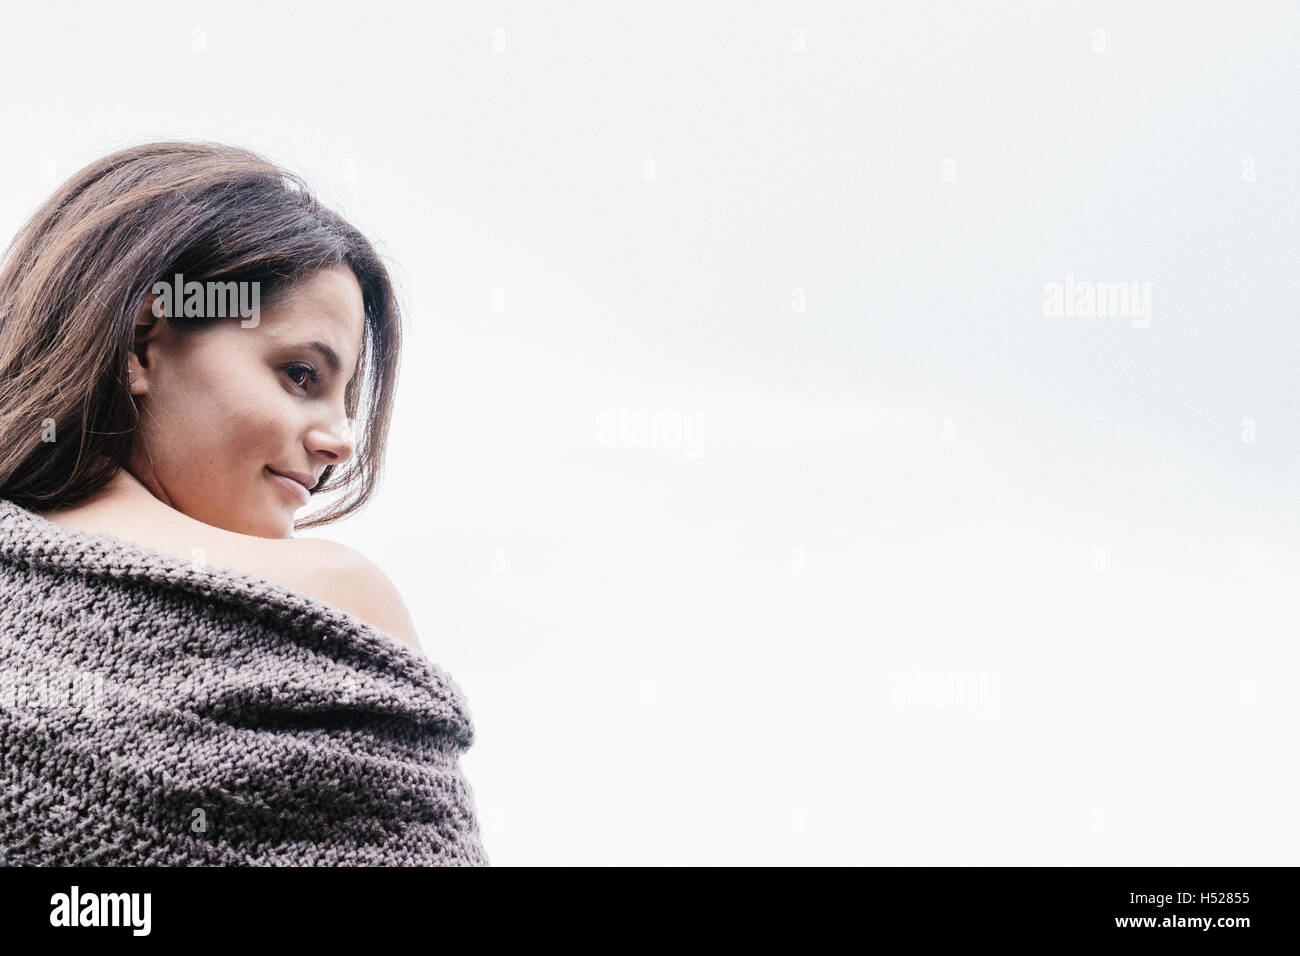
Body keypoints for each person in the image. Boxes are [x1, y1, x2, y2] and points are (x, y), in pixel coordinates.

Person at [0, 140, 422, 656]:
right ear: (140, 345)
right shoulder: (330, 604)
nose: (341, 443)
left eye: (345, 400)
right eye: (300, 374)